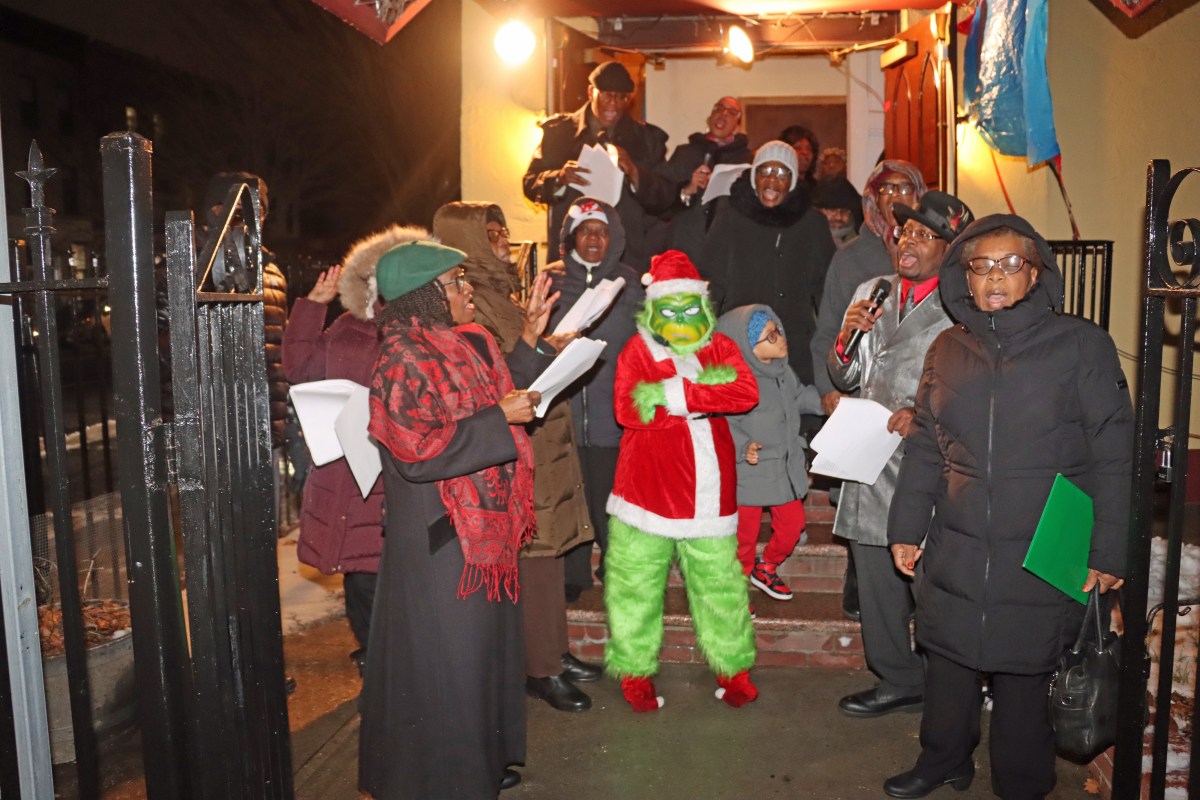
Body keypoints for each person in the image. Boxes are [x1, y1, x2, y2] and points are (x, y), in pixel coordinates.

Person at [882, 215, 1133, 800]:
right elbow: (924, 445)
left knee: (1026, 673)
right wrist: (907, 526)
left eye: (1010, 264)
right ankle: (943, 759)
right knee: (948, 663)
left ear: (1036, 272)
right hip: (959, 542)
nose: (995, 276)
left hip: (1044, 544)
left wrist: (1110, 546)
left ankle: (1022, 784)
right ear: (964, 277)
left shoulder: (1080, 345)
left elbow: (1115, 453)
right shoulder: (946, 348)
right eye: (981, 265)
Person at [358, 233, 544, 798]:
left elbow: (491, 395)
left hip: (482, 532)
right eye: (455, 283)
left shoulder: (463, 341)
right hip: (441, 537)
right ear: (424, 295)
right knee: (451, 663)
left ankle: (484, 762)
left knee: (482, 657)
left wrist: (531, 346)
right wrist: (498, 417)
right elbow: (417, 450)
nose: (467, 290)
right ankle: (453, 780)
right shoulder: (400, 358)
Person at [432, 201, 603, 713]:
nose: (504, 239)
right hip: (510, 448)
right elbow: (489, 378)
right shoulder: (466, 301)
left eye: (505, 230)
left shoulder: (494, 292)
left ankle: (555, 651)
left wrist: (550, 343)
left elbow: (514, 360)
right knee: (533, 558)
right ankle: (541, 668)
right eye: (492, 233)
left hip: (538, 440)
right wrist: (538, 341)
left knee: (548, 558)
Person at [826, 191, 973, 721]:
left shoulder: (963, 306)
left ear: (950, 249)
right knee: (875, 576)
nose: (906, 240)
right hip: (867, 456)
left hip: (930, 464)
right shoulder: (874, 290)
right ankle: (897, 677)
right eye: (904, 231)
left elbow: (975, 385)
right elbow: (845, 374)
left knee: (933, 580)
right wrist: (846, 339)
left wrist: (924, 414)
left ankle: (951, 679)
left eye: (922, 235)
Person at [604, 250, 760, 711]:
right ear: (653, 310)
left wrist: (672, 395)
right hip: (644, 495)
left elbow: (745, 392)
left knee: (722, 589)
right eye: (668, 310)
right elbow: (629, 410)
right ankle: (634, 674)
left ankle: (734, 670)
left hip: (709, 497)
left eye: (689, 309)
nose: (679, 318)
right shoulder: (637, 350)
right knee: (635, 589)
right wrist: (705, 396)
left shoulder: (720, 347)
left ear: (703, 308)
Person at [282, 227, 410, 673]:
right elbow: (298, 368)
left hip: (403, 465)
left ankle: (389, 652)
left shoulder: (423, 328)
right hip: (352, 471)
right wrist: (312, 307)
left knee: (397, 569)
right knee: (361, 570)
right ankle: (376, 652)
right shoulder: (347, 329)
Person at [808, 160, 926, 622]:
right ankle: (864, 581)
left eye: (905, 187)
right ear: (871, 197)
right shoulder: (852, 259)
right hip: (862, 403)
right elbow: (827, 335)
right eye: (885, 187)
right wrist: (827, 391)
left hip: (913, 411)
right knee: (862, 501)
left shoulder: (940, 252)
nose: (895, 195)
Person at [544, 197, 644, 597]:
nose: (593, 238)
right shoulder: (549, 281)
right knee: (568, 493)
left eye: (602, 231)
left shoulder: (630, 283)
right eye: (584, 230)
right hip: (563, 414)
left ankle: (615, 565)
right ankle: (572, 573)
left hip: (611, 413)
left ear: (614, 238)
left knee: (611, 497)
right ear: (570, 237)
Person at [700, 140, 836, 385]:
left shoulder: (812, 223)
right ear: (754, 177)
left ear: (793, 180)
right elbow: (711, 285)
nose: (772, 180)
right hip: (740, 340)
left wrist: (830, 345)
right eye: (765, 171)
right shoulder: (730, 218)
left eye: (782, 173)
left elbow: (826, 292)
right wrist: (703, 340)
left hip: (795, 345)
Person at [522, 61, 673, 272]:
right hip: (571, 255)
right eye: (607, 95)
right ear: (591, 91)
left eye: (622, 98)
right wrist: (559, 178)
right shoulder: (559, 133)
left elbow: (666, 197)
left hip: (626, 256)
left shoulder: (647, 140)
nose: (614, 104)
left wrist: (635, 173)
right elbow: (530, 183)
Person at [716, 305, 823, 601]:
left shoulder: (782, 372)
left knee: (792, 527)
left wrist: (826, 402)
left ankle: (767, 567)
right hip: (750, 475)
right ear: (748, 348)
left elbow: (799, 396)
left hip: (783, 469)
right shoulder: (737, 380)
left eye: (777, 329)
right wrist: (743, 446)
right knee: (743, 540)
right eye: (769, 335)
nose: (780, 337)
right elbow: (723, 422)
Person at [655, 95, 753, 260]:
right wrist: (687, 189)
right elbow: (659, 199)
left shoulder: (746, 159)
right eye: (719, 109)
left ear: (737, 125)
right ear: (710, 117)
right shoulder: (684, 153)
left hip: (726, 247)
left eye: (731, 112)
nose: (723, 114)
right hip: (685, 245)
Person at [812, 176, 864, 249]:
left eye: (844, 211)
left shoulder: (862, 242)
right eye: (832, 210)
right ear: (819, 210)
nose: (839, 217)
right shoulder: (808, 241)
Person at [780, 124, 819, 189]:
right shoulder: (779, 186)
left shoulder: (818, 189)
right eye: (797, 148)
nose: (805, 152)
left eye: (809, 149)